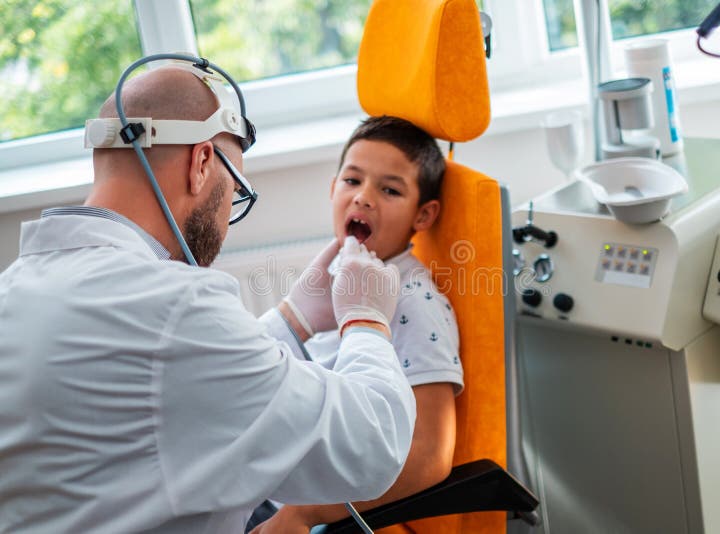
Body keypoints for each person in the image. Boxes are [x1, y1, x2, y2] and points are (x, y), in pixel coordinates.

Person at [0, 59, 417, 533]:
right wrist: (366, 320)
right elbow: (372, 444)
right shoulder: (174, 308)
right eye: (233, 189)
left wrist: (293, 318)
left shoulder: (16, 289)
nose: (226, 216)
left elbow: (179, 386)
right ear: (201, 164)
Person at [248, 116, 461, 533]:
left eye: (390, 189)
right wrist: (293, 316)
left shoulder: (413, 301)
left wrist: (303, 512)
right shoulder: (340, 274)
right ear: (332, 189)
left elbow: (431, 456)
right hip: (266, 477)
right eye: (352, 181)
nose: (363, 198)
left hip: (290, 503)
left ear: (424, 214)